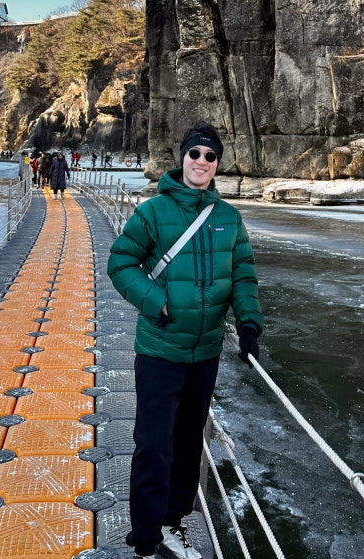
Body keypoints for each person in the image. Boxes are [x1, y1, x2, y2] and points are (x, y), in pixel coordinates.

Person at [107, 120, 262, 559]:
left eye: (210, 156)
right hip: (160, 348)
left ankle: (172, 523)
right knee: (153, 445)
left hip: (205, 352)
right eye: (195, 153)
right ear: (183, 158)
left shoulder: (228, 218)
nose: (202, 161)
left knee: (189, 442)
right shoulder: (153, 212)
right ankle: (144, 539)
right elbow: (121, 264)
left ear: (217, 164)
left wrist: (249, 325)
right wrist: (158, 301)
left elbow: (243, 276)